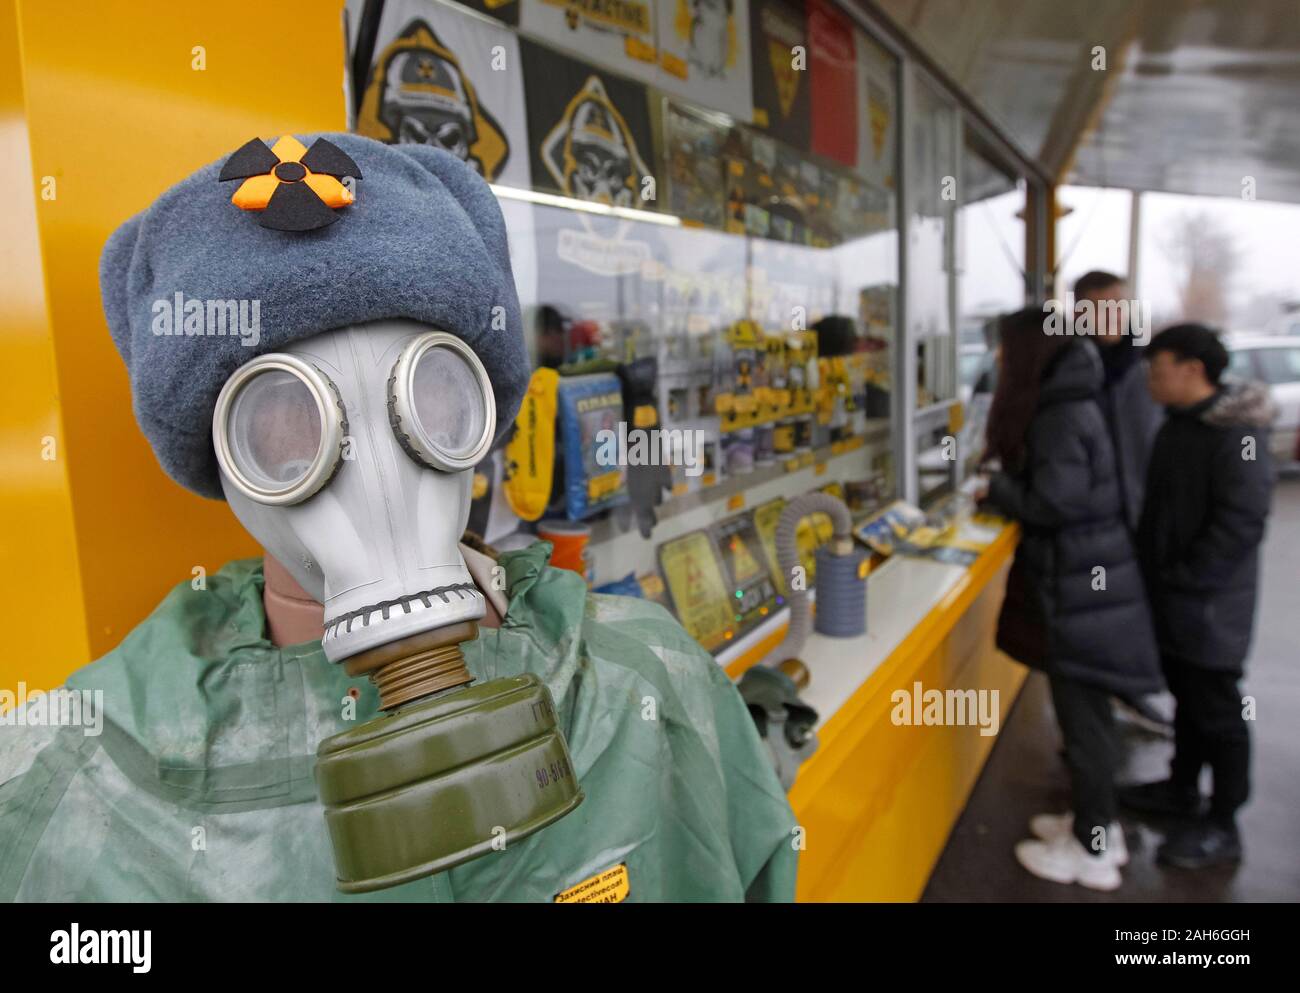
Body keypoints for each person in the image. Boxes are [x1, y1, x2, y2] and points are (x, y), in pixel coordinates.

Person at [0, 133, 798, 902]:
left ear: (478, 412)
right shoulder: (81, 771)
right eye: (285, 420)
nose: (376, 478)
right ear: (227, 465)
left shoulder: (650, 683)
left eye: (430, 396)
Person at [982, 305, 1161, 891]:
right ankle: (1093, 826)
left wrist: (1000, 488)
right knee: (1089, 723)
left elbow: (1055, 503)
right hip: (1089, 585)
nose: (1001, 360)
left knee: (1085, 728)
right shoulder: (1077, 397)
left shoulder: (1059, 413)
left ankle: (1092, 852)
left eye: (1008, 349)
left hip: (1080, 591)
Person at [1122, 324, 1276, 869]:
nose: (1150, 381)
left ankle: (1224, 820)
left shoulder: (1239, 436)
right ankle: (1181, 788)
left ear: (1192, 369)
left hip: (1210, 606)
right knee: (1188, 700)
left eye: (1157, 369)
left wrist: (1185, 578)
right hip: (1173, 596)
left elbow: (1242, 524)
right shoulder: (1179, 427)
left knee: (1218, 711)